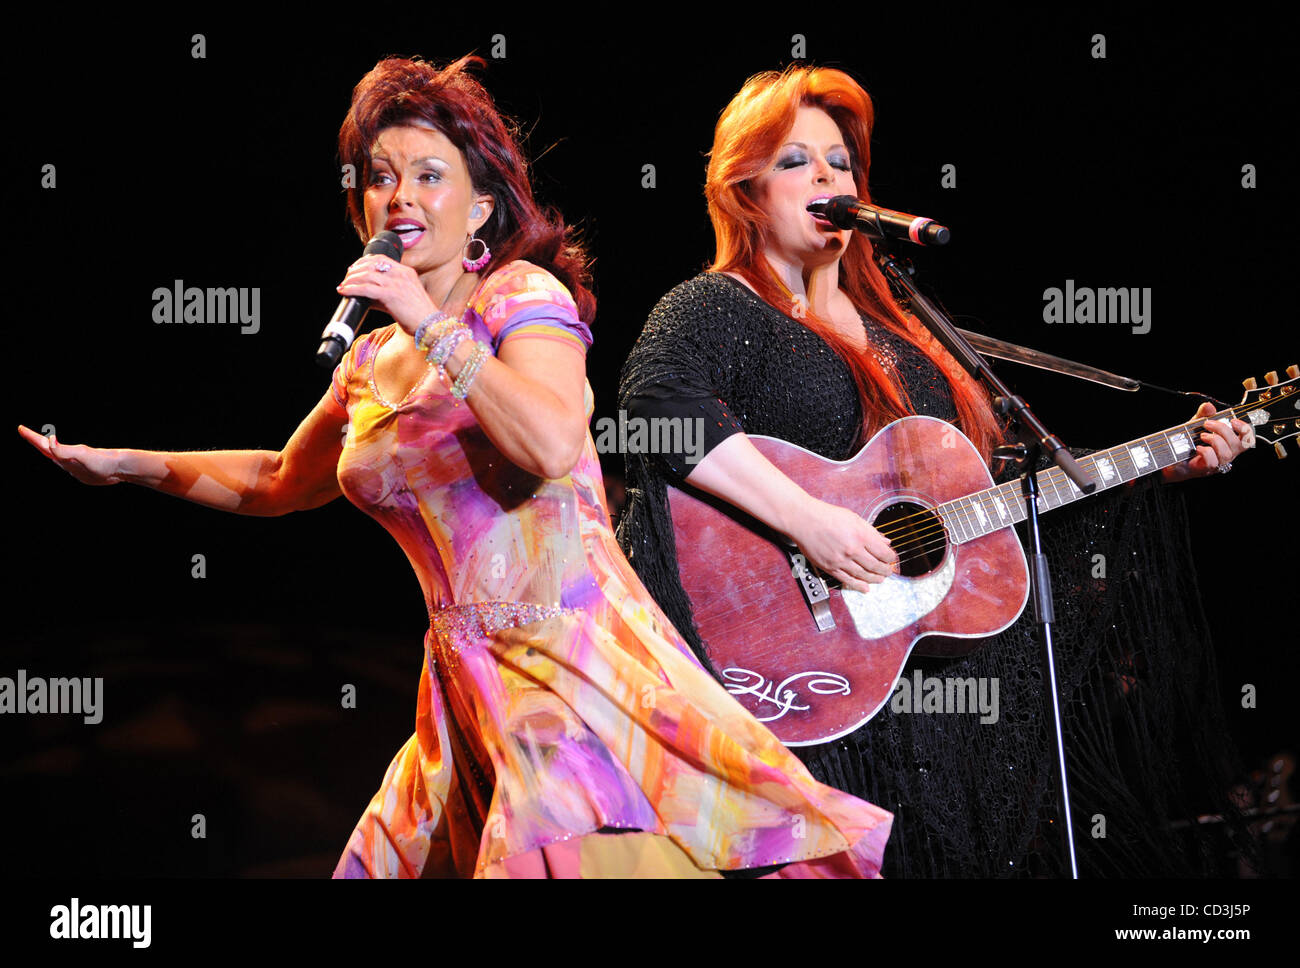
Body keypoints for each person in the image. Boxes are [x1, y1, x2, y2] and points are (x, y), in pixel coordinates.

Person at [18, 55, 896, 879]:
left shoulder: (519, 300)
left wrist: (431, 325)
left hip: (572, 672)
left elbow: (552, 442)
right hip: (462, 690)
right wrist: (130, 466)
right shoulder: (367, 365)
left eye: (429, 174)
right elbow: (280, 479)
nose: (399, 195)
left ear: (479, 208)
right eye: (380, 176)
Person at [617, 64, 1257, 877]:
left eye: (841, 162)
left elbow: (997, 511)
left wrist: (1160, 472)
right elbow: (655, 408)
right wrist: (812, 523)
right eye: (795, 161)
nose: (827, 176)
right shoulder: (714, 306)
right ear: (745, 190)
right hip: (793, 678)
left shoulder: (912, 338)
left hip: (920, 699)